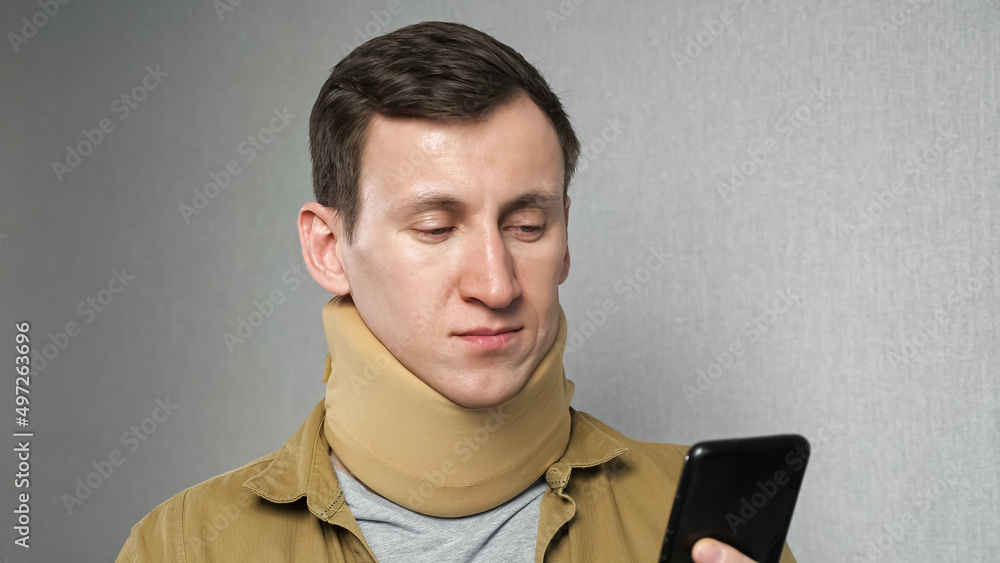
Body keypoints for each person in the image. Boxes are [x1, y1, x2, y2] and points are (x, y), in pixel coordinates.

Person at [116, 21, 796, 563]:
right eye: (437, 228)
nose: (496, 284)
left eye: (528, 225)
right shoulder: (183, 546)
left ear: (565, 236)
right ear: (329, 249)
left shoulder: (712, 523)